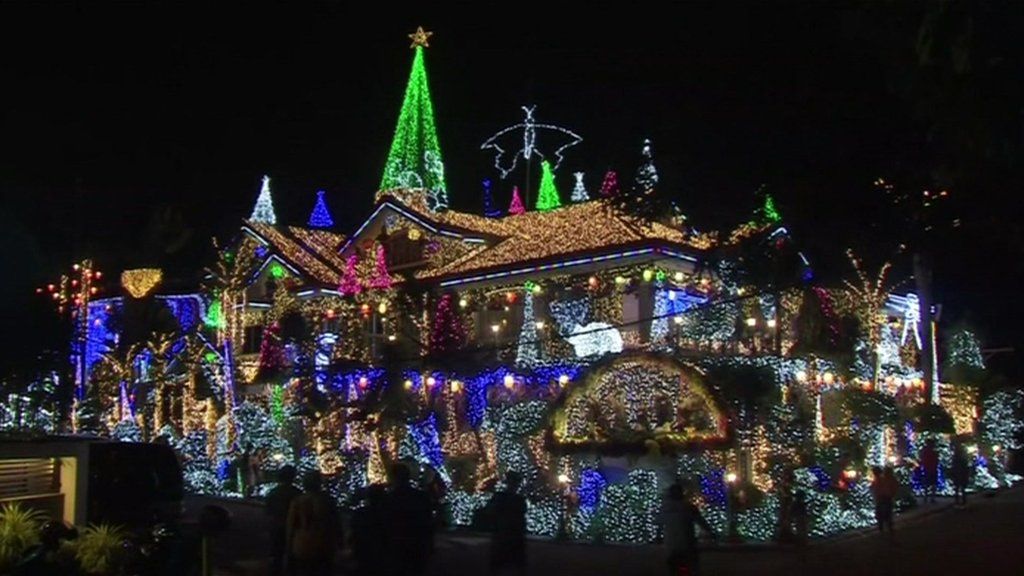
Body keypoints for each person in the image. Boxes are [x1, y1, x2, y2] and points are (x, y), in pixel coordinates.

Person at [286, 471, 339, 576]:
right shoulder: (328, 500)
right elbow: (335, 523)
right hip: (323, 543)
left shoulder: (298, 501)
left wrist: (289, 546)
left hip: (302, 544)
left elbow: (291, 525)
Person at [385, 464, 434, 575]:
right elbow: (428, 521)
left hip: (398, 544)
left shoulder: (390, 498)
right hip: (417, 544)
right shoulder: (421, 497)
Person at [661, 482, 715, 576]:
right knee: (691, 565)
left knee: (673, 567)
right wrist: (710, 532)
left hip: (671, 544)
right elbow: (701, 521)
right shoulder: (689, 507)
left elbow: (658, 522)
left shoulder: (665, 508)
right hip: (687, 542)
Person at [486, 471, 528, 575]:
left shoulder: (511, 498)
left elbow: (490, 511)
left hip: (507, 531)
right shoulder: (515, 498)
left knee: (503, 561)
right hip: (507, 531)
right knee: (507, 561)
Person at [266, 465, 302, 576]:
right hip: (294, 528)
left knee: (277, 556)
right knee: (293, 556)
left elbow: (268, 511)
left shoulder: (273, 492)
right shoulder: (297, 493)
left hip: (277, 527)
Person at [351, 484, 389, 576]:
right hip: (383, 556)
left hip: (364, 554)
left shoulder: (360, 513)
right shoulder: (388, 514)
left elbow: (353, 533)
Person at [870, 466, 895, 535]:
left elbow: (875, 490)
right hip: (885, 498)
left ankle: (884, 529)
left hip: (882, 498)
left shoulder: (878, 480)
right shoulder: (880, 480)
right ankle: (888, 528)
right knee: (886, 514)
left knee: (882, 514)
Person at [920, 438, 940, 503]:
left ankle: (927, 497)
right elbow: (936, 460)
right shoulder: (932, 452)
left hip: (928, 468)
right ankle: (931, 498)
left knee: (928, 483)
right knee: (932, 484)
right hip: (931, 469)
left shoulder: (925, 451)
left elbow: (922, 459)